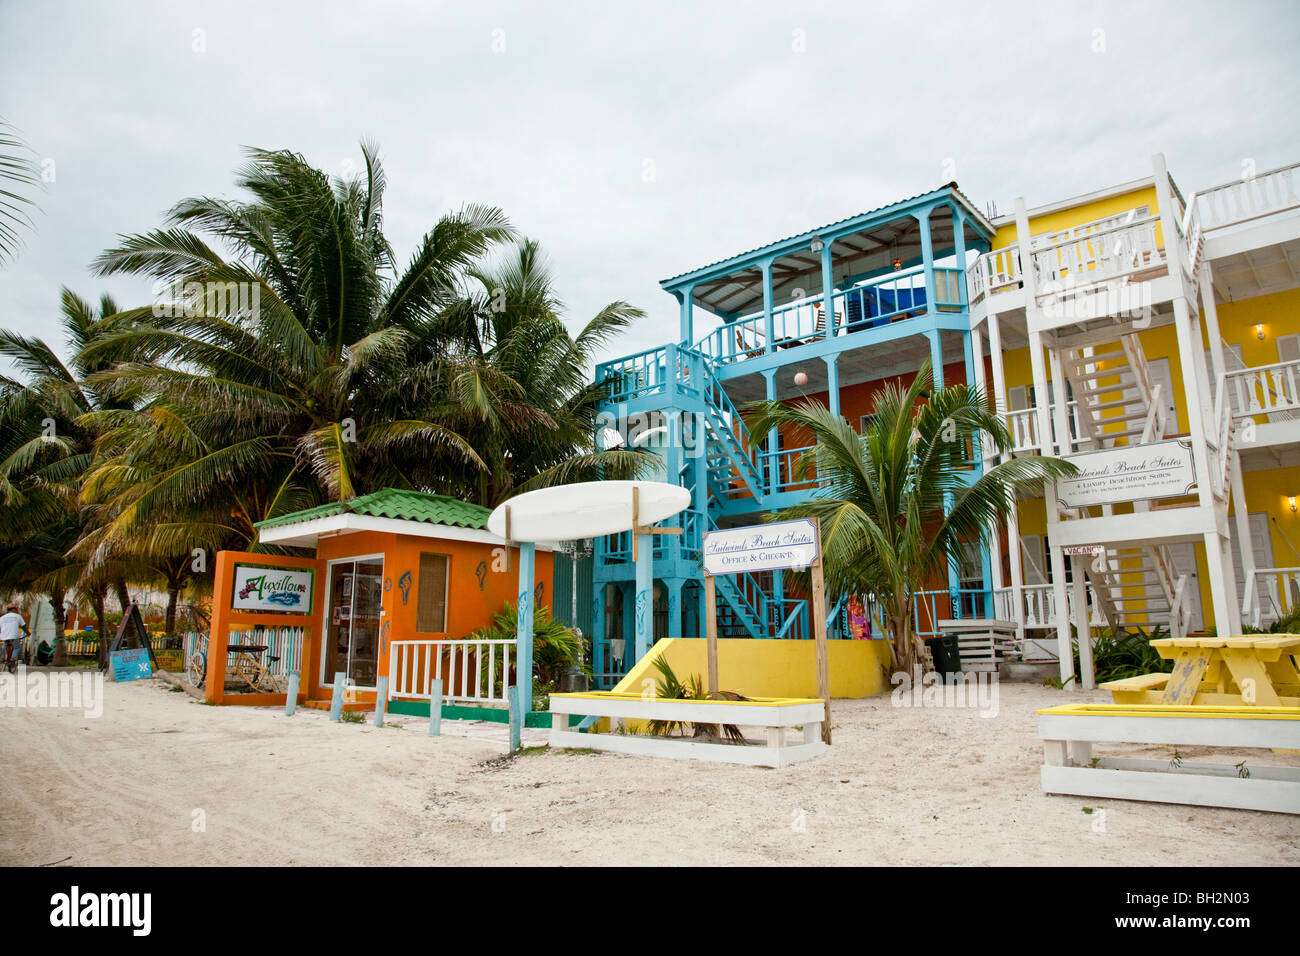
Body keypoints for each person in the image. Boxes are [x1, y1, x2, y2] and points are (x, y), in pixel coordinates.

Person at [1, 602, 30, 671]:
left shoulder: (2, 618)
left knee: (4, 646)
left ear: (8, 610)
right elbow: (24, 627)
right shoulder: (18, 616)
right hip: (14, 635)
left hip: (4, 635)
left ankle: (2, 657)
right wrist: (28, 633)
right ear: (15, 609)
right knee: (16, 647)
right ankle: (13, 659)